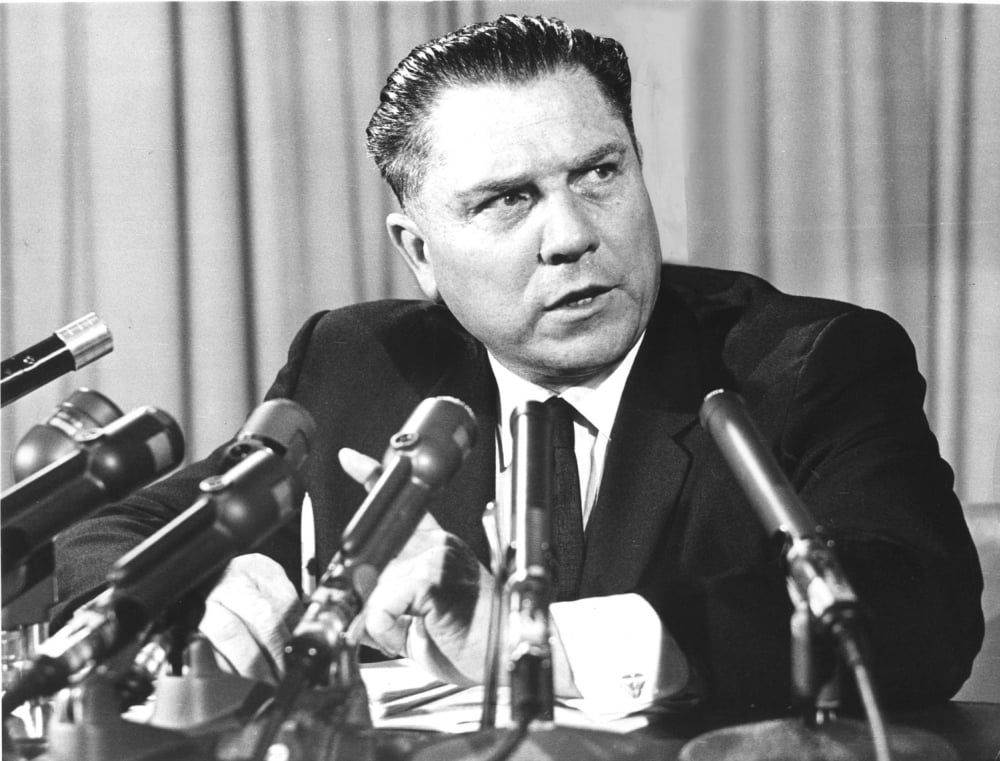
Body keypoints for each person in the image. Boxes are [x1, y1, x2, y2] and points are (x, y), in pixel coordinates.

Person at [53, 14, 983, 714]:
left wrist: (538, 642)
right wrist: (193, 579)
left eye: (600, 173)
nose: (573, 235)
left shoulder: (802, 362)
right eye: (507, 200)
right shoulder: (356, 361)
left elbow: (921, 609)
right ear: (417, 250)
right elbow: (99, 538)